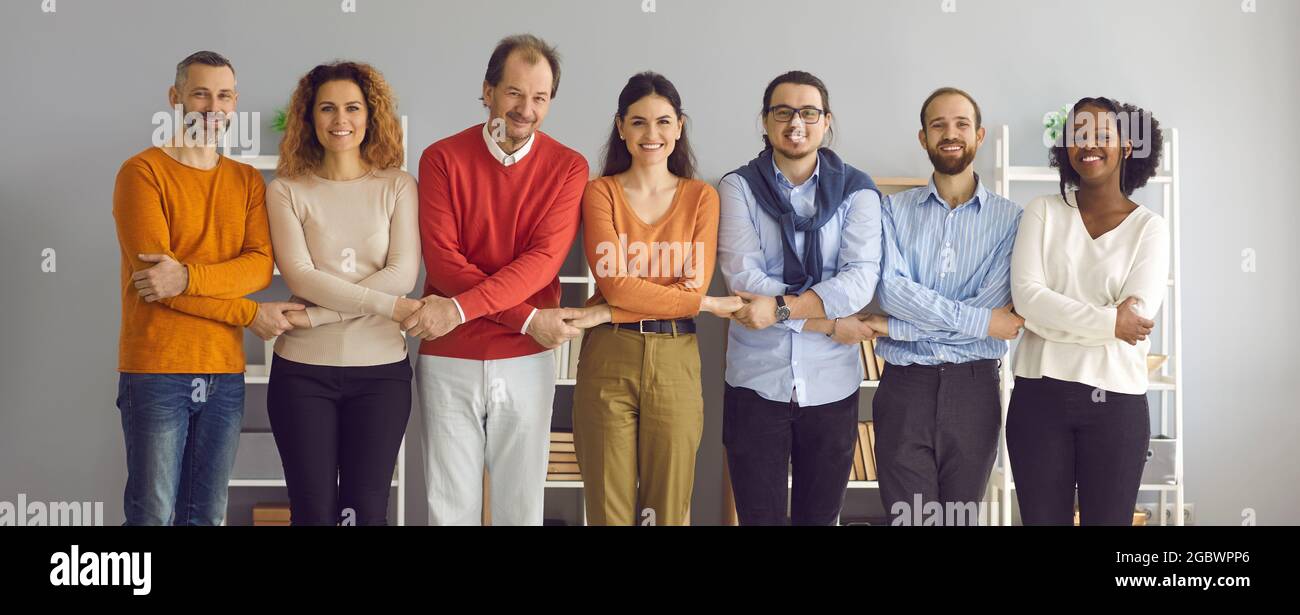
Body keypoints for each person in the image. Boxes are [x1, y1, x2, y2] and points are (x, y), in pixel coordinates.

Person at [407, 34, 590, 525]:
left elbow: (541, 263)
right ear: (487, 91)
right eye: (514, 93)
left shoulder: (568, 167)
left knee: (521, 509)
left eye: (540, 98)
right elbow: (444, 264)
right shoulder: (441, 158)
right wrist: (527, 319)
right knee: (449, 509)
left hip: (525, 361)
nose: (526, 109)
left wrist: (462, 308)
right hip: (451, 355)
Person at [112, 50, 301, 525]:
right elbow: (158, 284)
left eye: (224, 96)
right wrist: (248, 314)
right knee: (152, 514)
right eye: (200, 94)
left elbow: (258, 269)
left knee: (207, 515)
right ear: (175, 97)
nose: (213, 108)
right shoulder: (142, 173)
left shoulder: (247, 181)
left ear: (235, 102)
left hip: (224, 373)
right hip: (157, 370)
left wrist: (188, 276)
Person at [571, 72, 743, 526]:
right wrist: (704, 305)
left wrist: (607, 310)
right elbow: (618, 285)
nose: (652, 134)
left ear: (679, 126)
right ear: (621, 127)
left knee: (667, 511)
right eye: (639, 122)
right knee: (608, 510)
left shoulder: (702, 198)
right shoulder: (600, 193)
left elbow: (691, 286)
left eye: (664, 121)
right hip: (609, 356)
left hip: (675, 357)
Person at [717, 70, 882, 525]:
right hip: (756, 381)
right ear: (765, 121)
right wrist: (828, 322)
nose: (796, 123)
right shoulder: (738, 187)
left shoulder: (857, 190)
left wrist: (780, 308)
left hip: (832, 385)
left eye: (809, 113)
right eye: (783, 112)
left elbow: (859, 281)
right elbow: (744, 280)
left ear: (826, 121)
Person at [856, 87, 1024, 525]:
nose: (950, 134)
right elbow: (892, 293)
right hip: (905, 388)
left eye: (961, 124)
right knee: (910, 520)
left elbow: (992, 305)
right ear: (923, 137)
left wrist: (898, 328)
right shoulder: (891, 210)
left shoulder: (1011, 220)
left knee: (959, 520)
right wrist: (982, 323)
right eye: (938, 125)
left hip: (974, 390)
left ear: (979, 135)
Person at [265, 61, 420, 525]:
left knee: (365, 513)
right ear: (309, 117)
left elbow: (402, 275)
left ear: (370, 115)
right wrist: (387, 307)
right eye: (327, 108)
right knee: (312, 513)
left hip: (381, 377)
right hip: (302, 376)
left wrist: (317, 316)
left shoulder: (397, 185)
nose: (340, 120)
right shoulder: (286, 190)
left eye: (353, 108)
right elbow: (300, 277)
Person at [1007, 97, 1169, 525]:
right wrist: (1109, 322)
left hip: (1117, 403)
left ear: (1127, 146)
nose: (1088, 144)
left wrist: (1051, 319)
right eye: (1077, 135)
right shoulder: (1042, 211)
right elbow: (1027, 299)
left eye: (1101, 134)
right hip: (1038, 399)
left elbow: (1137, 318)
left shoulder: (1150, 229)